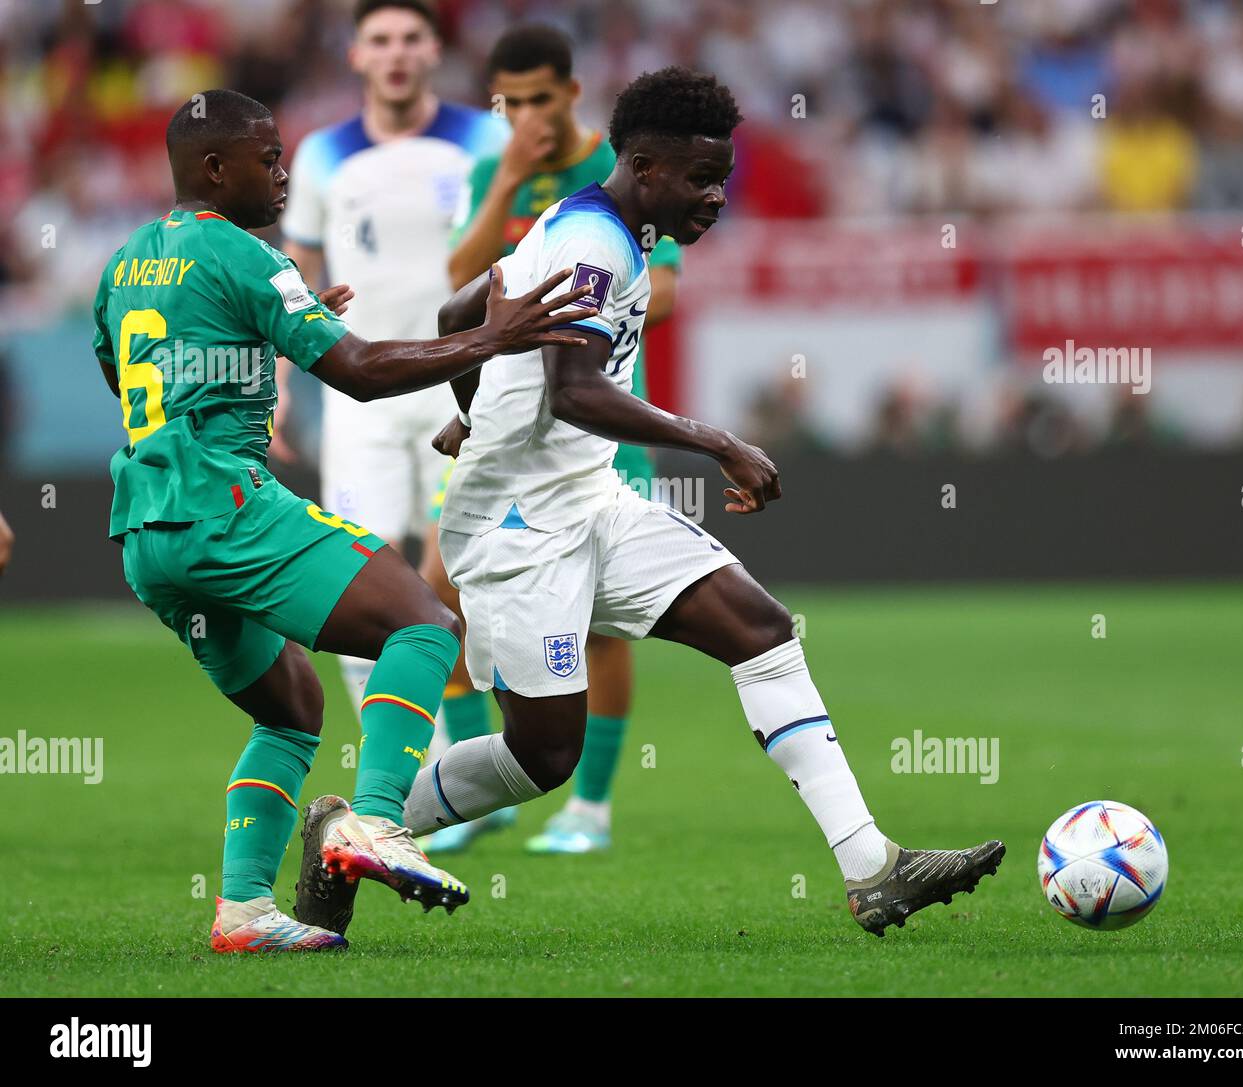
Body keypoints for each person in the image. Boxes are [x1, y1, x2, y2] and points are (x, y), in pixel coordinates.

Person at [301, 68, 1004, 940]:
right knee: (544, 754)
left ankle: (873, 868)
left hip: (589, 498)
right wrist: (716, 440)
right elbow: (574, 390)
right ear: (642, 163)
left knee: (760, 627)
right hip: (519, 528)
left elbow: (458, 309)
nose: (716, 196)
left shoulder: (593, 228)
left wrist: (473, 412)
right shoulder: (596, 243)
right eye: (701, 178)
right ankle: (347, 827)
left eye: (723, 176)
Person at [93, 88, 592, 953]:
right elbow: (357, 371)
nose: (283, 173)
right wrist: (490, 339)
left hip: (147, 531)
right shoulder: (246, 252)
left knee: (290, 709)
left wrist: (250, 332)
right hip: (225, 505)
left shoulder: (126, 262)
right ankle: (374, 819)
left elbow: (135, 371)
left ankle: (245, 911)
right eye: (268, 157)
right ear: (216, 168)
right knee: (425, 623)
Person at [420, 23, 683, 856]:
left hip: (594, 421)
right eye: (511, 102)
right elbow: (458, 281)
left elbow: (665, 291)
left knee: (602, 623)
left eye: (541, 97)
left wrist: (572, 308)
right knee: (440, 590)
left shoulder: (626, 173)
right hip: (506, 423)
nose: (527, 113)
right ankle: (485, 792)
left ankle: (590, 807)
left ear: (571, 95)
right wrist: (505, 180)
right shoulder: (491, 174)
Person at [275, 0, 507, 725]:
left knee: (464, 578)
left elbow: (517, 259)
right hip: (359, 394)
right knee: (355, 583)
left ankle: (464, 768)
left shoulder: (487, 140)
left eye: (411, 38)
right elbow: (297, 274)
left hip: (461, 388)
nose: (396, 53)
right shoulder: (320, 154)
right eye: (380, 40)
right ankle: (414, 783)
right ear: (356, 55)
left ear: (435, 50)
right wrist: (279, 383)